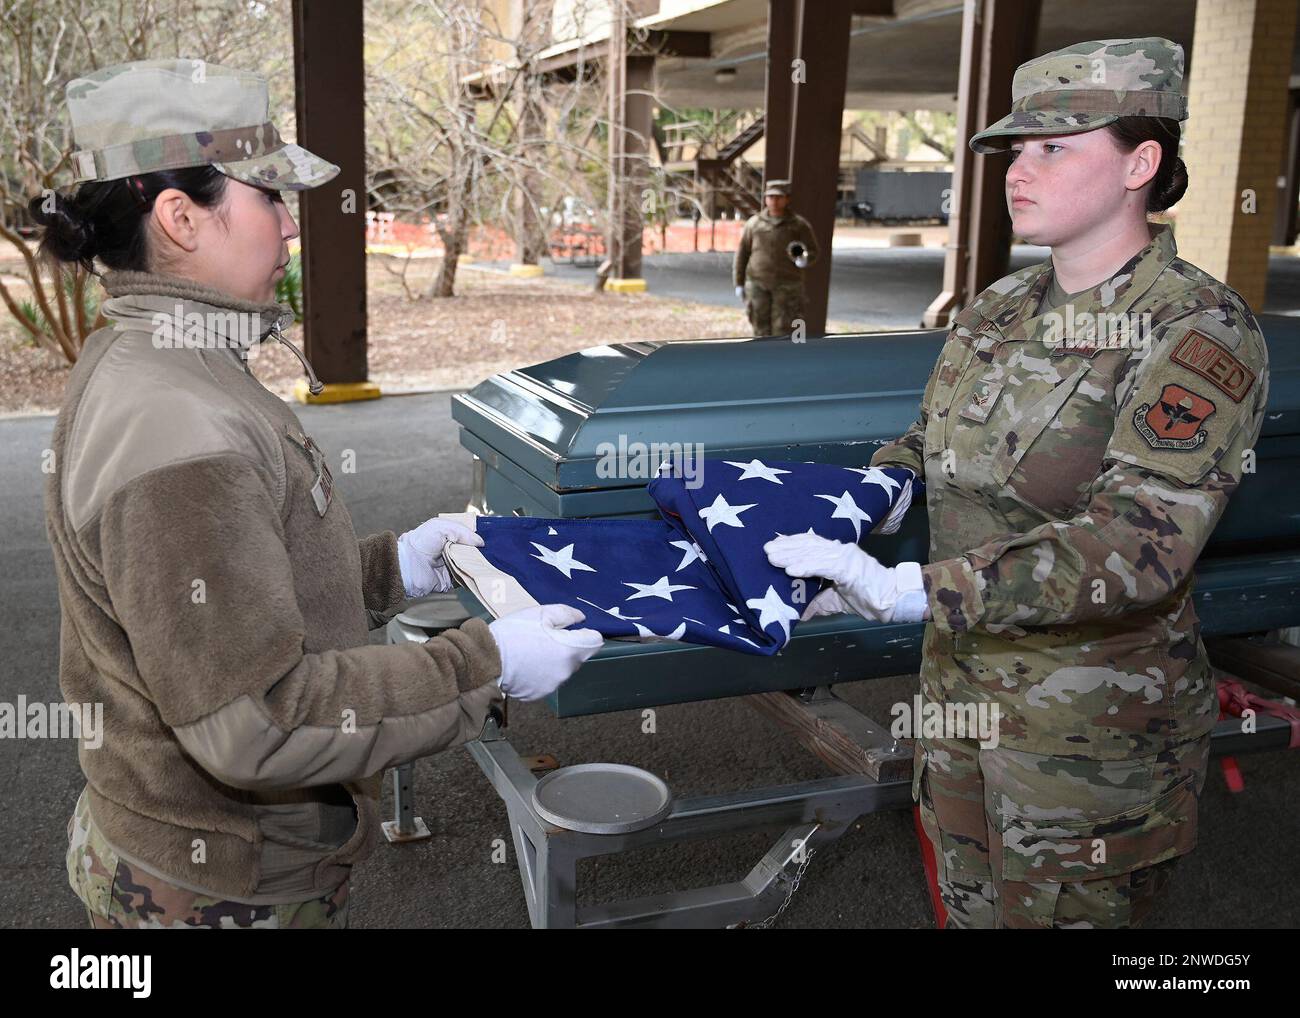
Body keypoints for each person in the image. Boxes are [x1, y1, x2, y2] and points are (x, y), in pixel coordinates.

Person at [37, 59, 602, 929]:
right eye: (267, 194)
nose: (291, 226)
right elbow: (254, 720)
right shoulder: (175, 419)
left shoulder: (159, 359)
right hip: (218, 888)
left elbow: (235, 589)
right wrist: (486, 664)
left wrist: (390, 570)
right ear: (181, 218)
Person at [764, 37, 1270, 929]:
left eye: (1054, 147)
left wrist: (904, 589)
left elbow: (1139, 547)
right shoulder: (998, 308)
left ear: (1140, 165)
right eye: (1014, 150)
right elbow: (928, 442)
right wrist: (862, 502)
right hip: (961, 708)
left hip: (1086, 748)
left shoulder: (1197, 332)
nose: (1017, 171)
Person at [733, 179, 819, 336]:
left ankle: (781, 359)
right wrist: (738, 282)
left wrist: (804, 259)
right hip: (758, 284)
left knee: (784, 330)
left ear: (787, 199)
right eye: (770, 197)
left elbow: (813, 251)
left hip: (788, 286)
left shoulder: (798, 225)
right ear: (765, 199)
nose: (774, 201)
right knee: (760, 329)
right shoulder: (754, 224)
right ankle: (761, 359)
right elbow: (742, 253)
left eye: (779, 197)